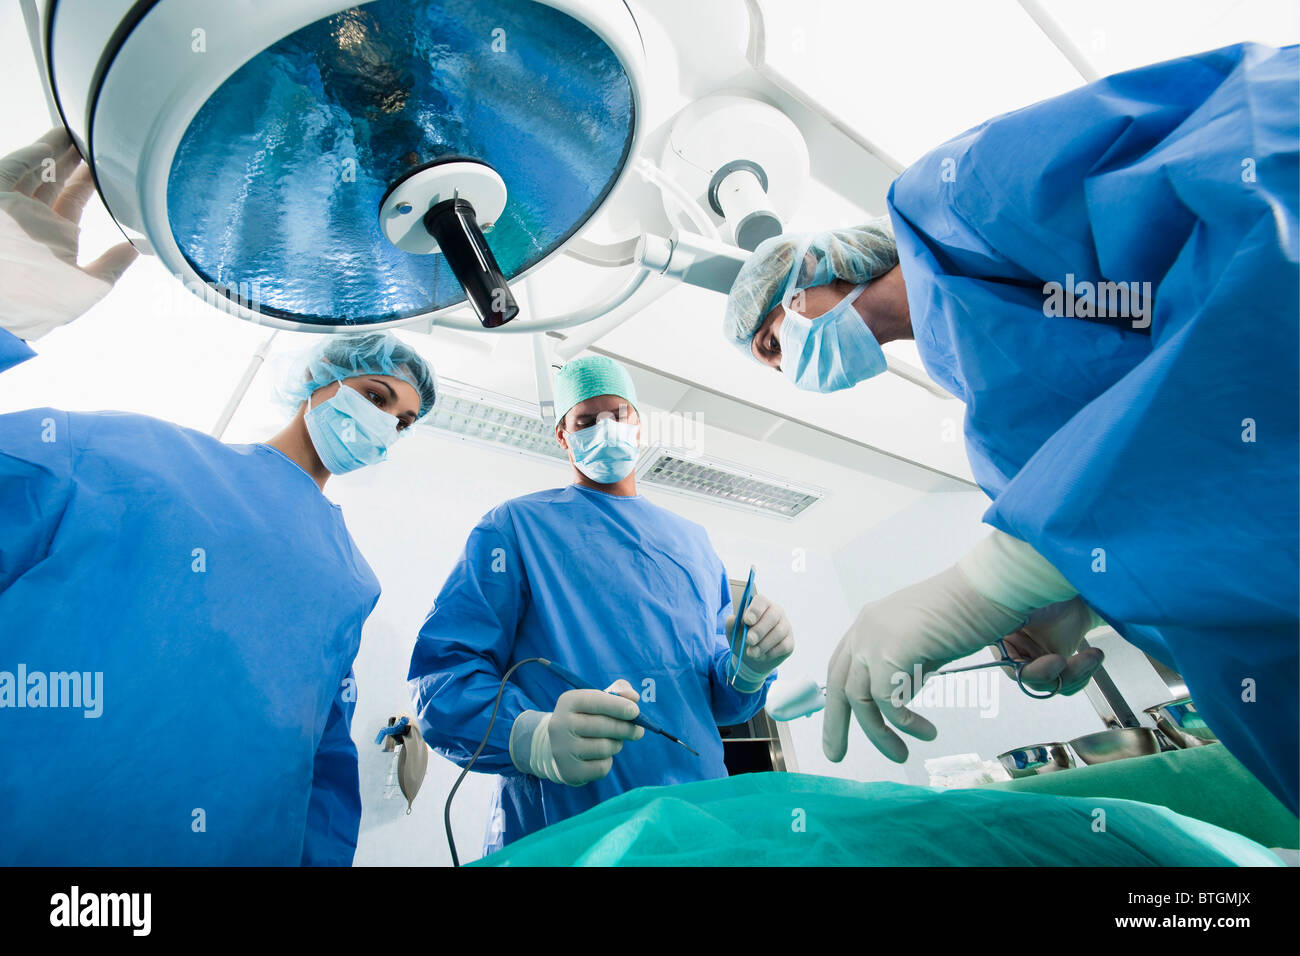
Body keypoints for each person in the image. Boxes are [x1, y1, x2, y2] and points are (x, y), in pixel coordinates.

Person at [721, 43, 1298, 812]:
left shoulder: (957, 205)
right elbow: (1182, 516)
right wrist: (1070, 603)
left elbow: (1257, 173)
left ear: (812, 271)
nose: (789, 365)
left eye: (773, 342)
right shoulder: (994, 433)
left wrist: (994, 579)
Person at [0, 129, 438, 864]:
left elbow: (321, 778)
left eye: (403, 421)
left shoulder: (351, 580)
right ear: (318, 380)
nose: (386, 426)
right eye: (374, 394)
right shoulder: (116, 455)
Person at [408, 355, 795, 852]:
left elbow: (714, 701)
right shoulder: (515, 529)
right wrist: (534, 737)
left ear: (639, 424)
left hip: (697, 822)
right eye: (586, 421)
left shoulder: (694, 544)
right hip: (569, 833)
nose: (605, 428)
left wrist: (749, 669)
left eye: (618, 414)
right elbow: (444, 677)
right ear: (563, 437)